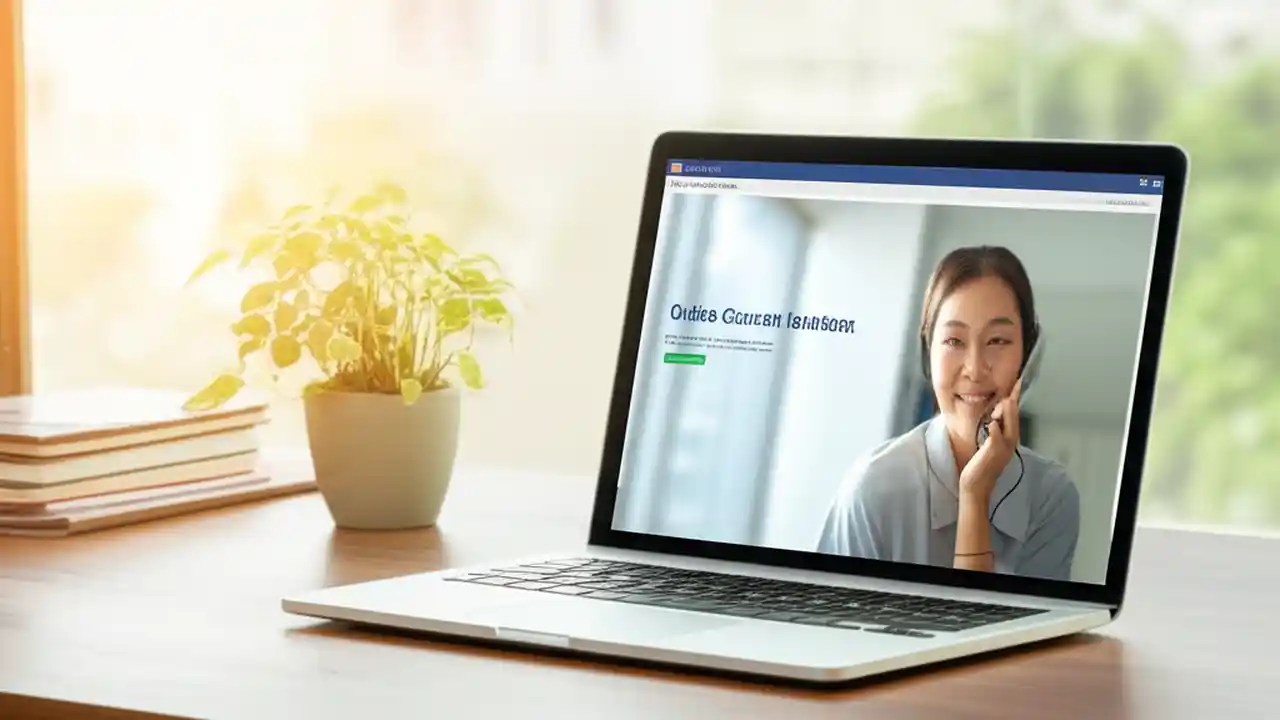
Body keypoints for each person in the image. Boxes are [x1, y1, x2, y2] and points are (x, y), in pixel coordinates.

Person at [816, 245, 1079, 581]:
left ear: (1028, 359)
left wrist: (975, 493)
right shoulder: (874, 488)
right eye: (954, 341)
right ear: (929, 351)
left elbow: (994, 631)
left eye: (997, 340)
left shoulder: (1051, 497)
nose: (974, 369)